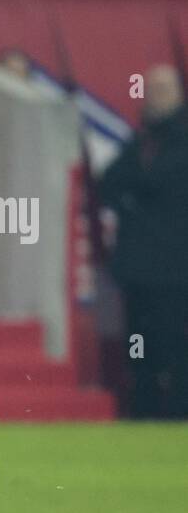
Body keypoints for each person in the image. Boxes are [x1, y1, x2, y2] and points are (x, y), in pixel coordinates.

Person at [99, 63, 188, 418]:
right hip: (138, 269)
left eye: (164, 90)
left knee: (173, 341)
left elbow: (155, 183)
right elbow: (110, 184)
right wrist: (132, 202)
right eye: (151, 89)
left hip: (175, 268)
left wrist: (137, 197)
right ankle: (144, 406)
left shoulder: (176, 142)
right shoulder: (141, 141)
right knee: (138, 343)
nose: (156, 98)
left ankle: (178, 409)